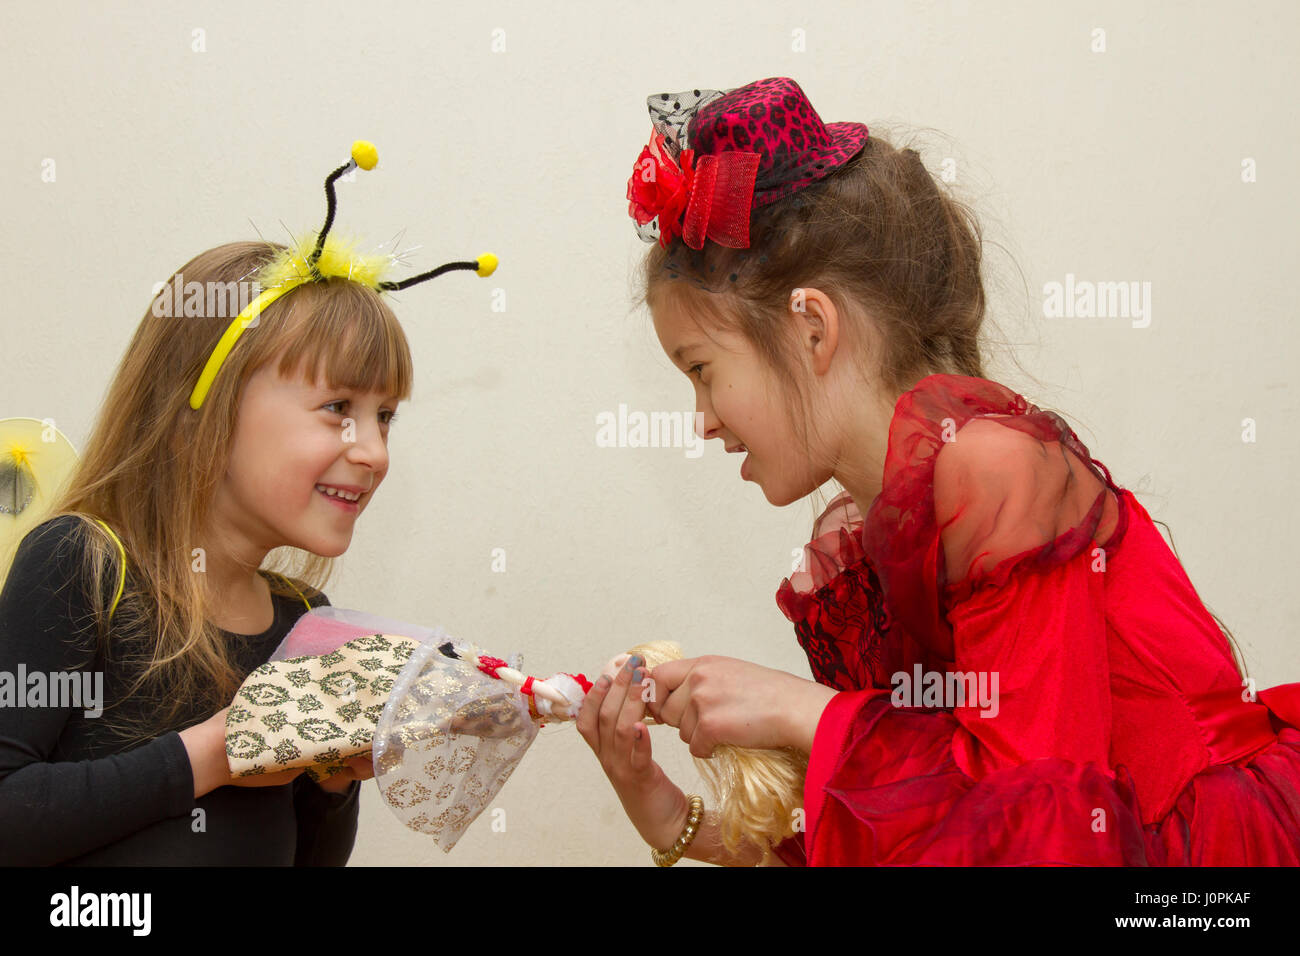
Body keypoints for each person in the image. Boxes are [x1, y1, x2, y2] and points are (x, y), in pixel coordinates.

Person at [577, 77, 1300, 866]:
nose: (703, 419)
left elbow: (1038, 822)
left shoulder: (993, 472)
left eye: (702, 369)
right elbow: (923, 823)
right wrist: (670, 816)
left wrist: (801, 711)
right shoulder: (869, 537)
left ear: (813, 327)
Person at [0, 141, 495, 864]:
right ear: (199, 410)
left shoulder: (305, 627)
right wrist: (226, 748)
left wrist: (332, 780)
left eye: (385, 416)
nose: (374, 451)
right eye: (337, 407)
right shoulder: (81, 566)